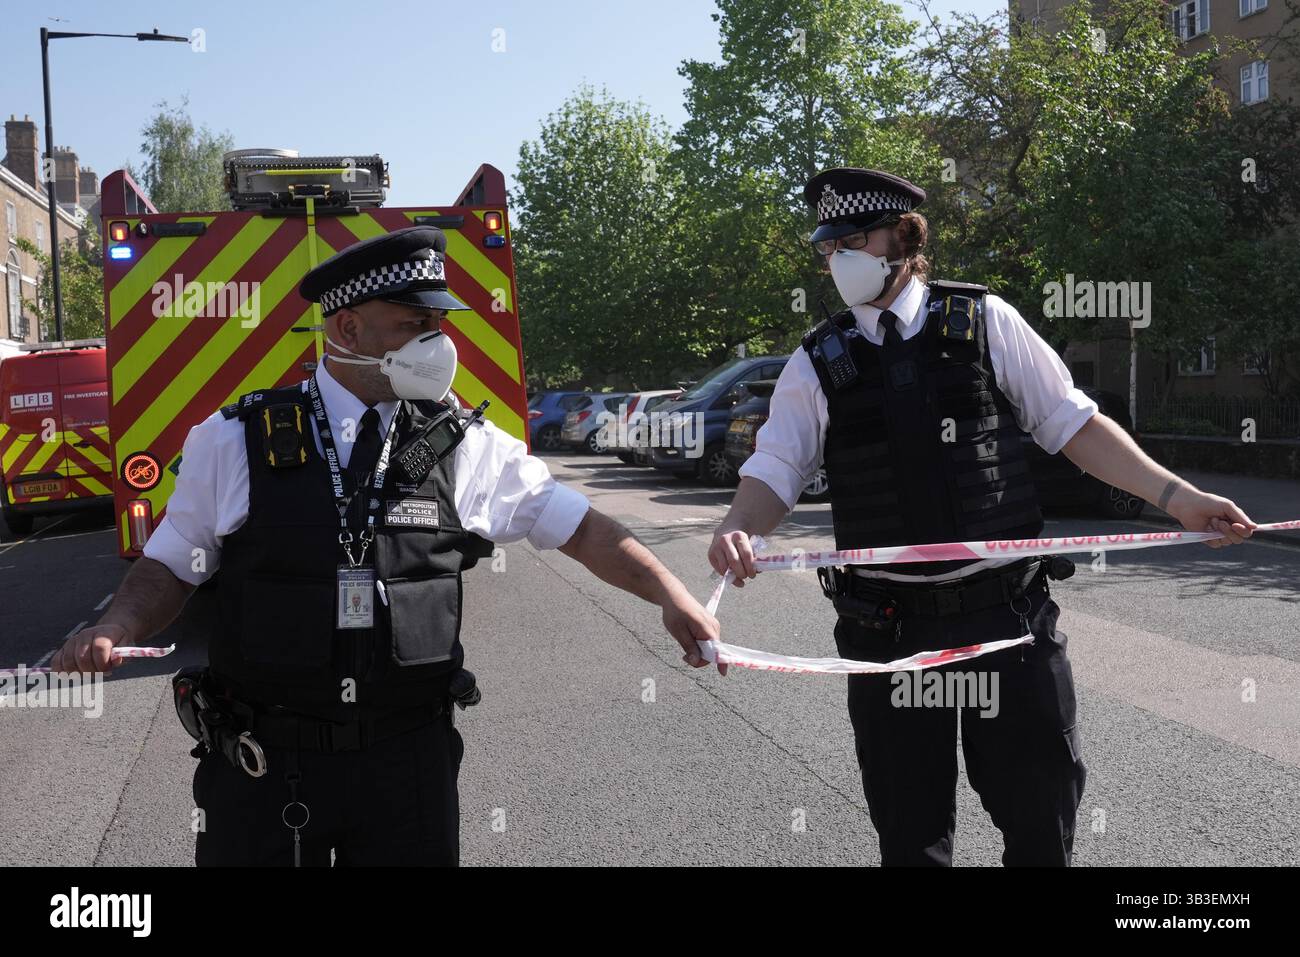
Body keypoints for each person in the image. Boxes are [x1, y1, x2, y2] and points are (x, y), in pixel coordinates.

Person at [51, 226, 722, 867]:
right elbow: (172, 562)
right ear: (347, 329)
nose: (438, 344)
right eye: (414, 326)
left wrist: (670, 592)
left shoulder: (464, 444)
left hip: (410, 765)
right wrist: (117, 624)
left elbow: (580, 528)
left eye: (438, 325)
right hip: (265, 767)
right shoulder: (234, 440)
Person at [707, 167, 1257, 866]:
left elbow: (1074, 425)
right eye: (828, 246)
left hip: (1005, 621)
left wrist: (1180, 499)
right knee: (912, 842)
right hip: (888, 633)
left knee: (1039, 828)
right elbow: (774, 469)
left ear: (903, 238)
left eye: (853, 239)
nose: (837, 258)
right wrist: (739, 528)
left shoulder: (985, 322)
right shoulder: (818, 361)